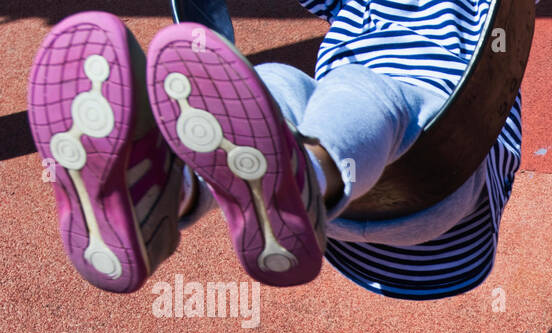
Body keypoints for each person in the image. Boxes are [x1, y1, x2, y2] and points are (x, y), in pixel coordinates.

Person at [27, 2, 523, 300]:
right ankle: (163, 192)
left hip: (444, 178)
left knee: (362, 87)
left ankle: (297, 173)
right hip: (337, 205)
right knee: (271, 83)